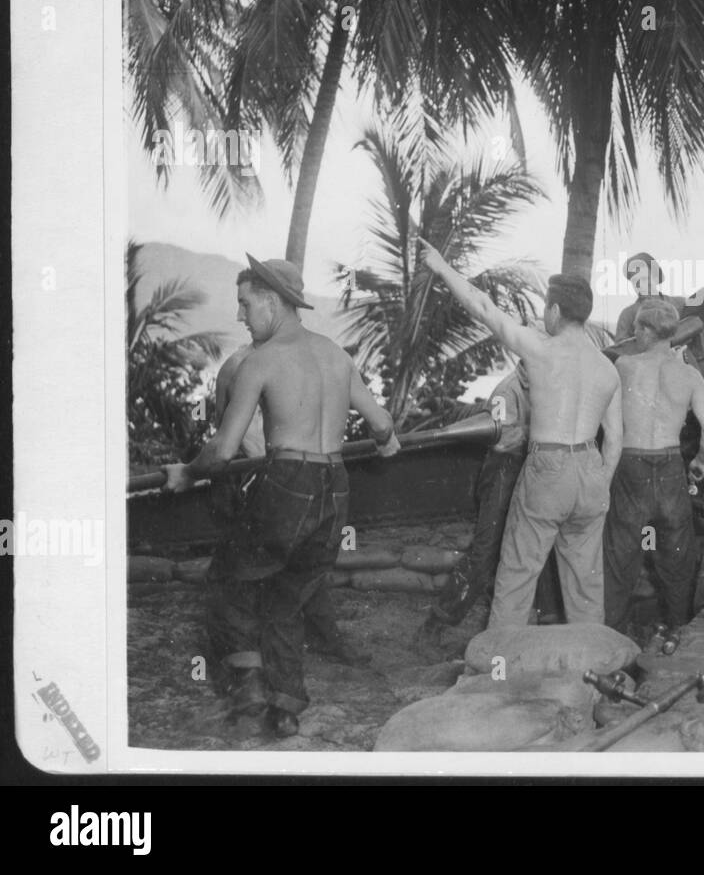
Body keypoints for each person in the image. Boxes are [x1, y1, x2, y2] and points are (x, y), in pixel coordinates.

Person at [163, 255, 400, 737]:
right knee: (287, 597)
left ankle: (249, 684)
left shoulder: (261, 360)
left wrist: (187, 472)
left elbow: (224, 449)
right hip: (335, 489)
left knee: (228, 577)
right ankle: (286, 706)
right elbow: (381, 425)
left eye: (246, 305)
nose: (241, 316)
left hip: (287, 481)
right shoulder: (336, 354)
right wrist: (384, 441)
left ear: (272, 302)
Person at [417, 237, 622, 627]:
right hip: (591, 472)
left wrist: (441, 267)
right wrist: (600, 483)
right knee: (585, 586)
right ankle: (588, 672)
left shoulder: (541, 350)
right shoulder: (607, 368)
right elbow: (614, 439)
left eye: (547, 307)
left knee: (517, 573)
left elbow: (483, 307)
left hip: (549, 466)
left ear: (556, 310)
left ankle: (497, 671)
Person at [214, 346, 370, 667]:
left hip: (298, 477)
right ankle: (249, 660)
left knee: (307, 561)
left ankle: (323, 637)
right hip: (258, 476)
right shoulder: (238, 368)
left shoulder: (300, 364)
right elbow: (231, 434)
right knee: (246, 571)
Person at [603, 298, 704, 635]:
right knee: (677, 556)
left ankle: (612, 635)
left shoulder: (623, 366)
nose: (635, 331)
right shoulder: (689, 374)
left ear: (648, 331)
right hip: (670, 466)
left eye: (639, 326)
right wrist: (700, 461)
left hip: (630, 465)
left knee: (621, 555)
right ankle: (677, 630)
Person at [422, 361, 564, 629]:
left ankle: (548, 619)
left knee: (541, 541)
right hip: (505, 470)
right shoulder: (507, 390)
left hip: (531, 467)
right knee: (485, 552)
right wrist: (542, 431)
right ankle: (438, 622)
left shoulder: (545, 383)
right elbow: (503, 438)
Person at [614, 252, 683, 343]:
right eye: (635, 282)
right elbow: (621, 348)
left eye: (644, 279)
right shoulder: (627, 315)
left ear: (655, 277)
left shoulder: (679, 303)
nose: (641, 285)